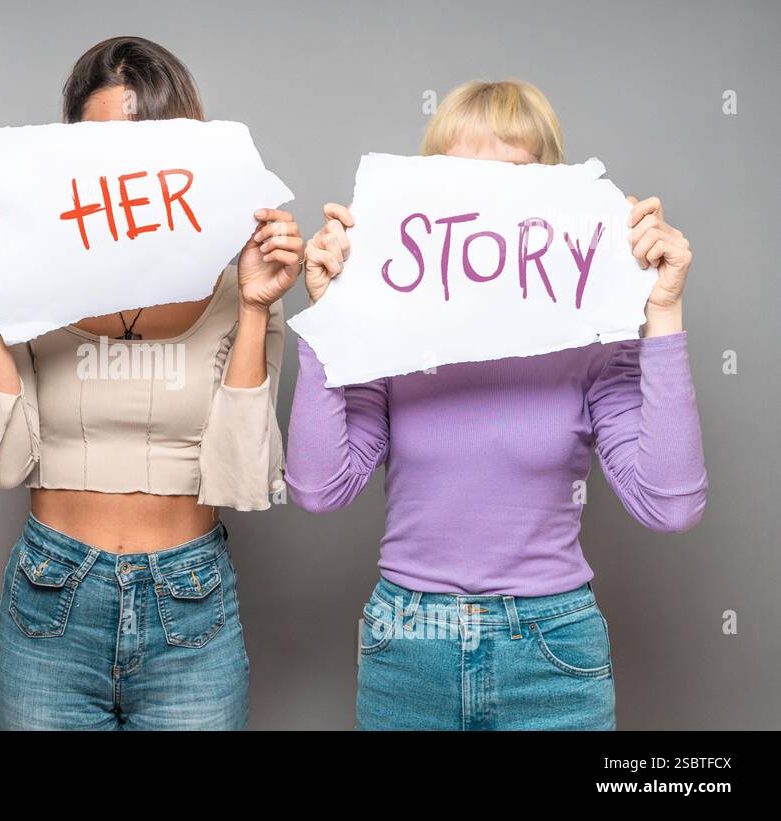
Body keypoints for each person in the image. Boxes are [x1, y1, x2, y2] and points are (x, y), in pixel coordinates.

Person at [289, 79, 707, 730]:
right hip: (408, 640)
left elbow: (670, 503)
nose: (487, 201)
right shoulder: (391, 331)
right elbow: (320, 487)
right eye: (462, 175)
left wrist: (664, 311)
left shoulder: (593, 335)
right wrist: (329, 319)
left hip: (552, 647)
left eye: (512, 175)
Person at [0, 36, 303, 729]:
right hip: (51, 596)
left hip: (189, 603)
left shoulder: (242, 281)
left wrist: (254, 308)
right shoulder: (29, 277)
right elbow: (5, 466)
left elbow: (247, 478)